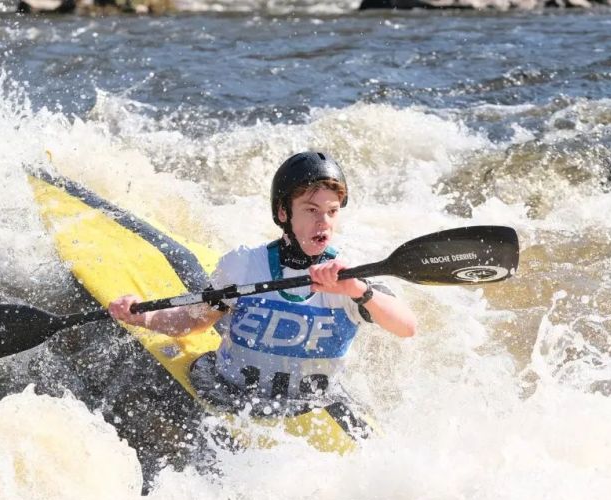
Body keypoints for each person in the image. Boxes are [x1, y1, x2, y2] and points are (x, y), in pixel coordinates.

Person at [108, 151, 416, 419]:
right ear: (283, 212)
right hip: (231, 398)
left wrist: (361, 292)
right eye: (311, 210)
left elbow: (406, 327)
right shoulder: (244, 266)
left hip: (309, 408)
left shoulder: (349, 274)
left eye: (332, 211)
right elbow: (194, 321)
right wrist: (143, 317)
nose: (324, 222)